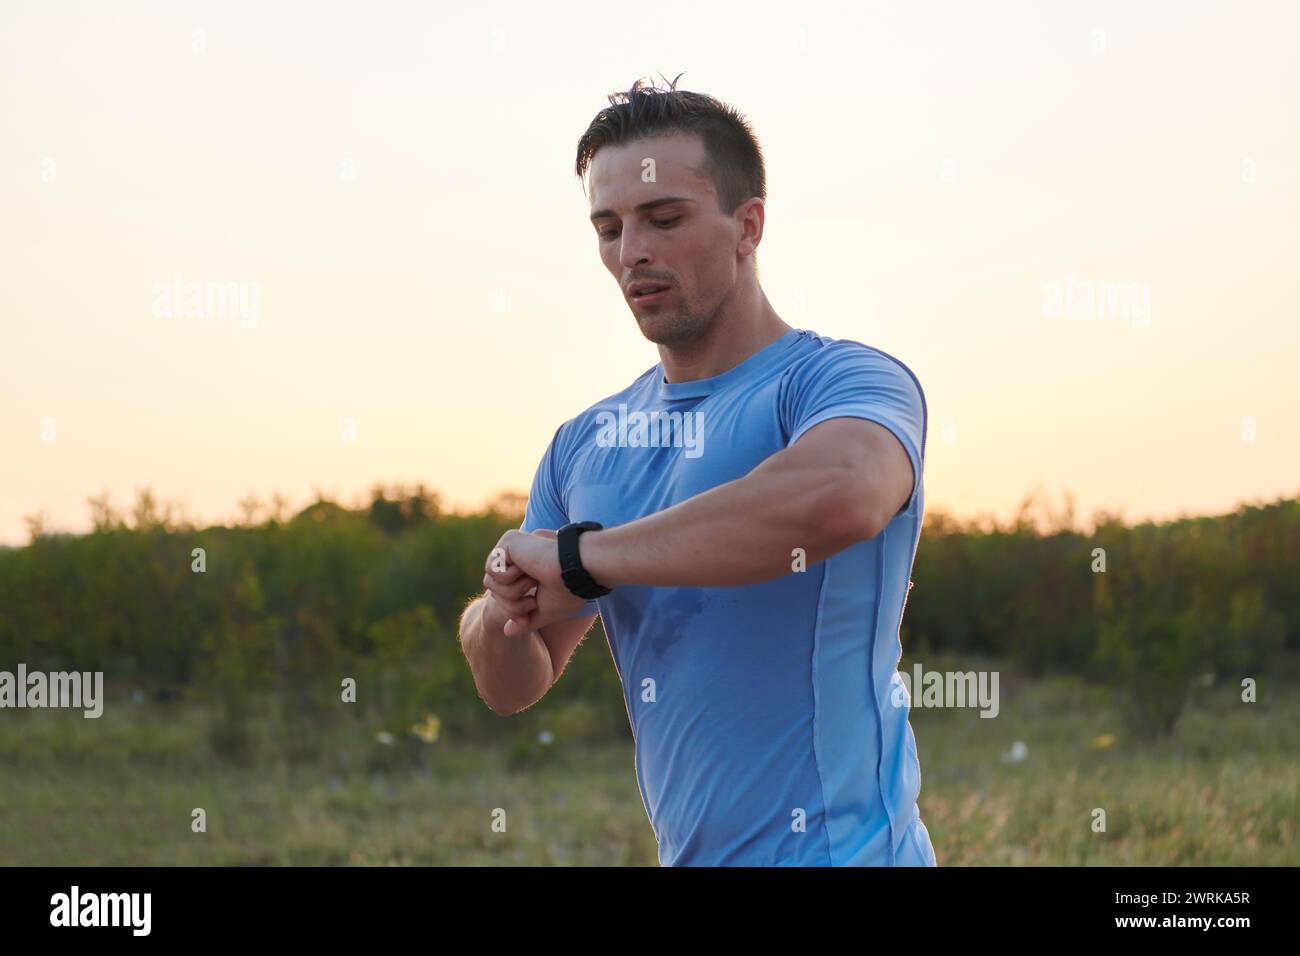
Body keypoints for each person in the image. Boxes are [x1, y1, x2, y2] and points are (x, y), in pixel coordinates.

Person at [458, 75, 936, 867]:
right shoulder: (586, 442)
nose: (632, 251)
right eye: (608, 228)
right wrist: (497, 602)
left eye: (664, 218)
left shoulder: (842, 382)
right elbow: (515, 683)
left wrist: (582, 558)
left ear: (747, 225)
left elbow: (840, 496)